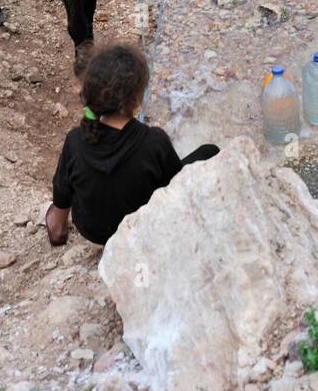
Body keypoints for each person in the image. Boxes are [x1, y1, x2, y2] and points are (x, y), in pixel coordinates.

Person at [45, 43, 218, 247]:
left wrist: (57, 230)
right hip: (138, 233)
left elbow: (63, 193)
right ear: (136, 97)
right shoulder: (154, 141)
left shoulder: (75, 140)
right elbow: (174, 191)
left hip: (91, 230)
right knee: (209, 151)